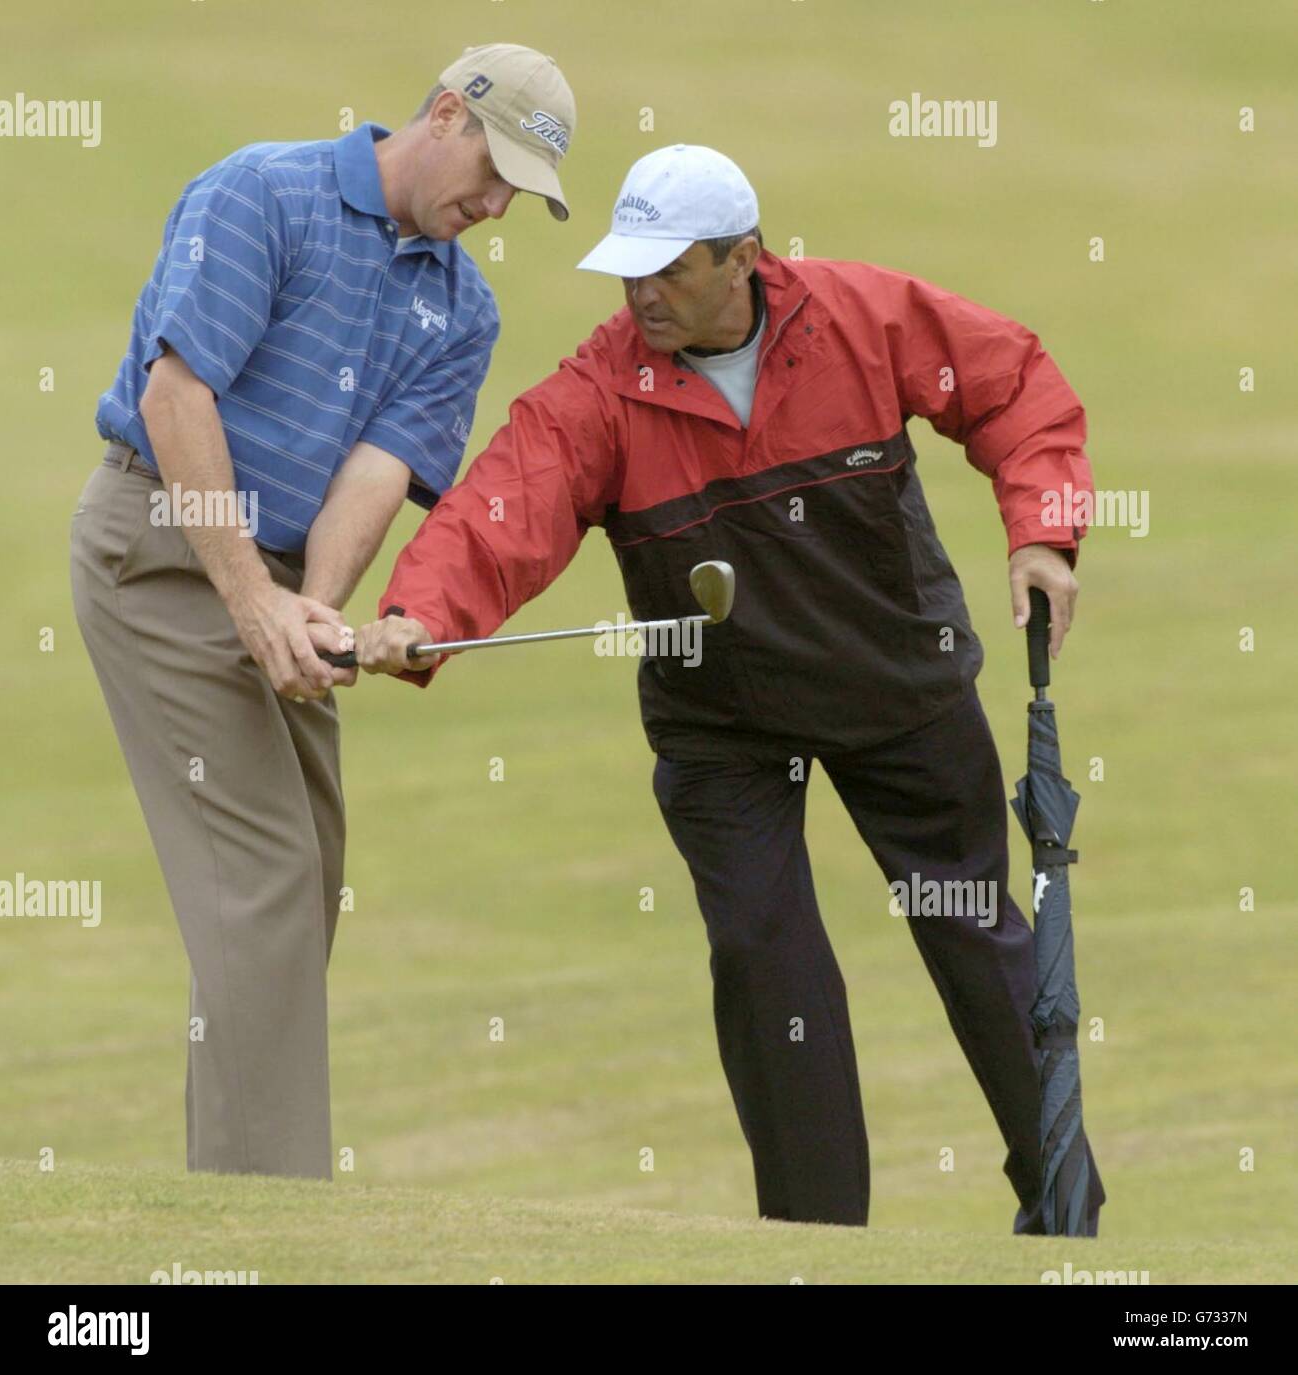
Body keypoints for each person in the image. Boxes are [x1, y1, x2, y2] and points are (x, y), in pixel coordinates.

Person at [356, 144, 1106, 1231]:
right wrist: (418, 616)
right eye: (629, 271)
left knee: (974, 936)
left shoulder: (859, 316)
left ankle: (1064, 1212)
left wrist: (1043, 535)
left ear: (744, 258)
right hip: (724, 731)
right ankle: (815, 1244)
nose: (642, 294)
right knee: (766, 960)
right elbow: (501, 509)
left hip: (896, 689)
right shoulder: (600, 388)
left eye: (669, 270)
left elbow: (1012, 384)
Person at [70, 43, 576, 1179]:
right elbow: (174, 391)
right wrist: (252, 599)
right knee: (265, 872)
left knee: (309, 864)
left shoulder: (464, 308)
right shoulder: (267, 192)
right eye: (490, 172)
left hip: (277, 570)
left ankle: (234, 1179)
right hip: (158, 550)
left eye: (517, 197)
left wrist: (313, 611)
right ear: (445, 112)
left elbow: (377, 468)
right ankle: (269, 1211)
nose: (492, 207)